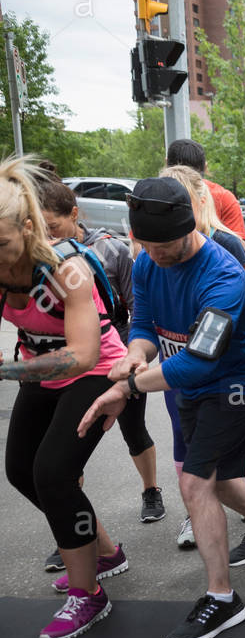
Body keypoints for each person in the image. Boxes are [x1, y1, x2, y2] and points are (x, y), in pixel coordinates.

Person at [79, 176, 245, 638]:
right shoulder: (146, 261)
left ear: (189, 228)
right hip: (185, 384)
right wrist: (135, 353)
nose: (155, 253)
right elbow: (145, 322)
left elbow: (198, 359)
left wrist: (127, 387)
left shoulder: (225, 276)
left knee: (194, 481)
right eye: (145, 244)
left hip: (233, 385)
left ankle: (223, 597)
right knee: (218, 480)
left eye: (163, 244)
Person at [1, 157, 130, 638]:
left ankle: (88, 593)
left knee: (53, 473)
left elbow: (79, 356)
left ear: (30, 228)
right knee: (21, 472)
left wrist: (6, 369)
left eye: (2, 245)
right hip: (40, 372)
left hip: (96, 370)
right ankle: (105, 551)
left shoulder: (67, 272)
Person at [39, 178, 163, 530]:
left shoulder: (111, 250)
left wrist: (134, 354)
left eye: (54, 227)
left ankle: (151, 490)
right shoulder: (41, 258)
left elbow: (138, 309)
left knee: (133, 430)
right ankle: (73, 523)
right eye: (42, 229)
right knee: (65, 450)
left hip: (117, 356)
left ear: (75, 214)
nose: (49, 236)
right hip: (65, 363)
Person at [156, 164, 245, 549]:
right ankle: (200, 508)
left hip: (227, 376)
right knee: (190, 451)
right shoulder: (154, 255)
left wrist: (130, 382)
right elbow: (145, 316)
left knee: (222, 454)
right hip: (180, 371)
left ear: (197, 202)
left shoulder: (224, 247)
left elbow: (237, 316)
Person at [165, 138, 245, 241]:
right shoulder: (225, 198)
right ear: (205, 167)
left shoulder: (150, 197)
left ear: (166, 163)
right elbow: (239, 248)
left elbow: (138, 248)